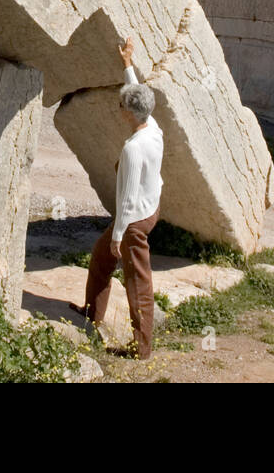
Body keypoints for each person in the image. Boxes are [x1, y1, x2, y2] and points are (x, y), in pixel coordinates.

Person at [70, 35, 164, 359]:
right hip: (148, 208)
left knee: (137, 282)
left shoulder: (132, 149)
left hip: (135, 219)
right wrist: (127, 63)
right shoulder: (152, 126)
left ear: (129, 113)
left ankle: (142, 349)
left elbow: (125, 198)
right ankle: (91, 316)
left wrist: (119, 236)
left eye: (121, 104)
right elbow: (138, 94)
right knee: (100, 259)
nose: (118, 107)